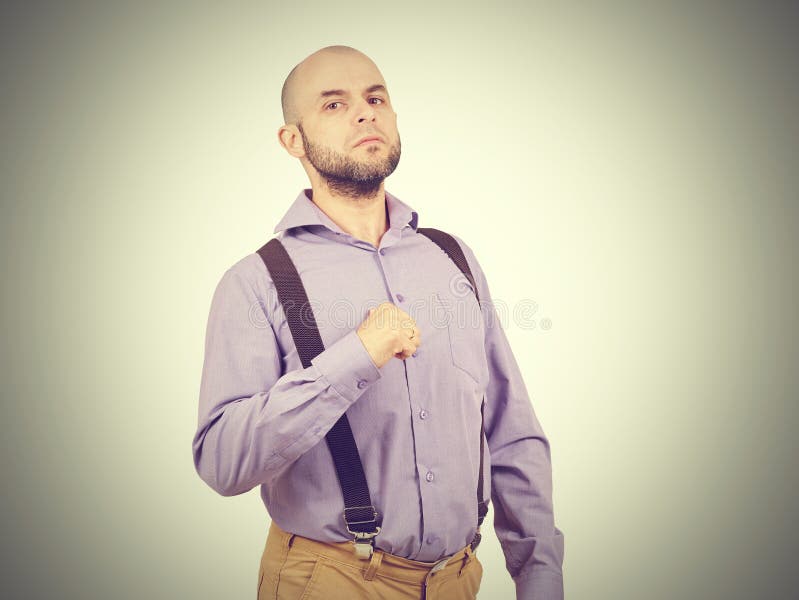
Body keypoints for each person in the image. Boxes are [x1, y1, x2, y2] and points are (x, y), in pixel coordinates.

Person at [192, 45, 565, 600]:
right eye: (334, 104)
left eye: (375, 98)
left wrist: (540, 578)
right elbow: (223, 462)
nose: (365, 113)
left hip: (459, 579)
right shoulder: (256, 281)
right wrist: (356, 356)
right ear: (292, 140)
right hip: (329, 581)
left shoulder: (452, 258)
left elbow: (511, 431)